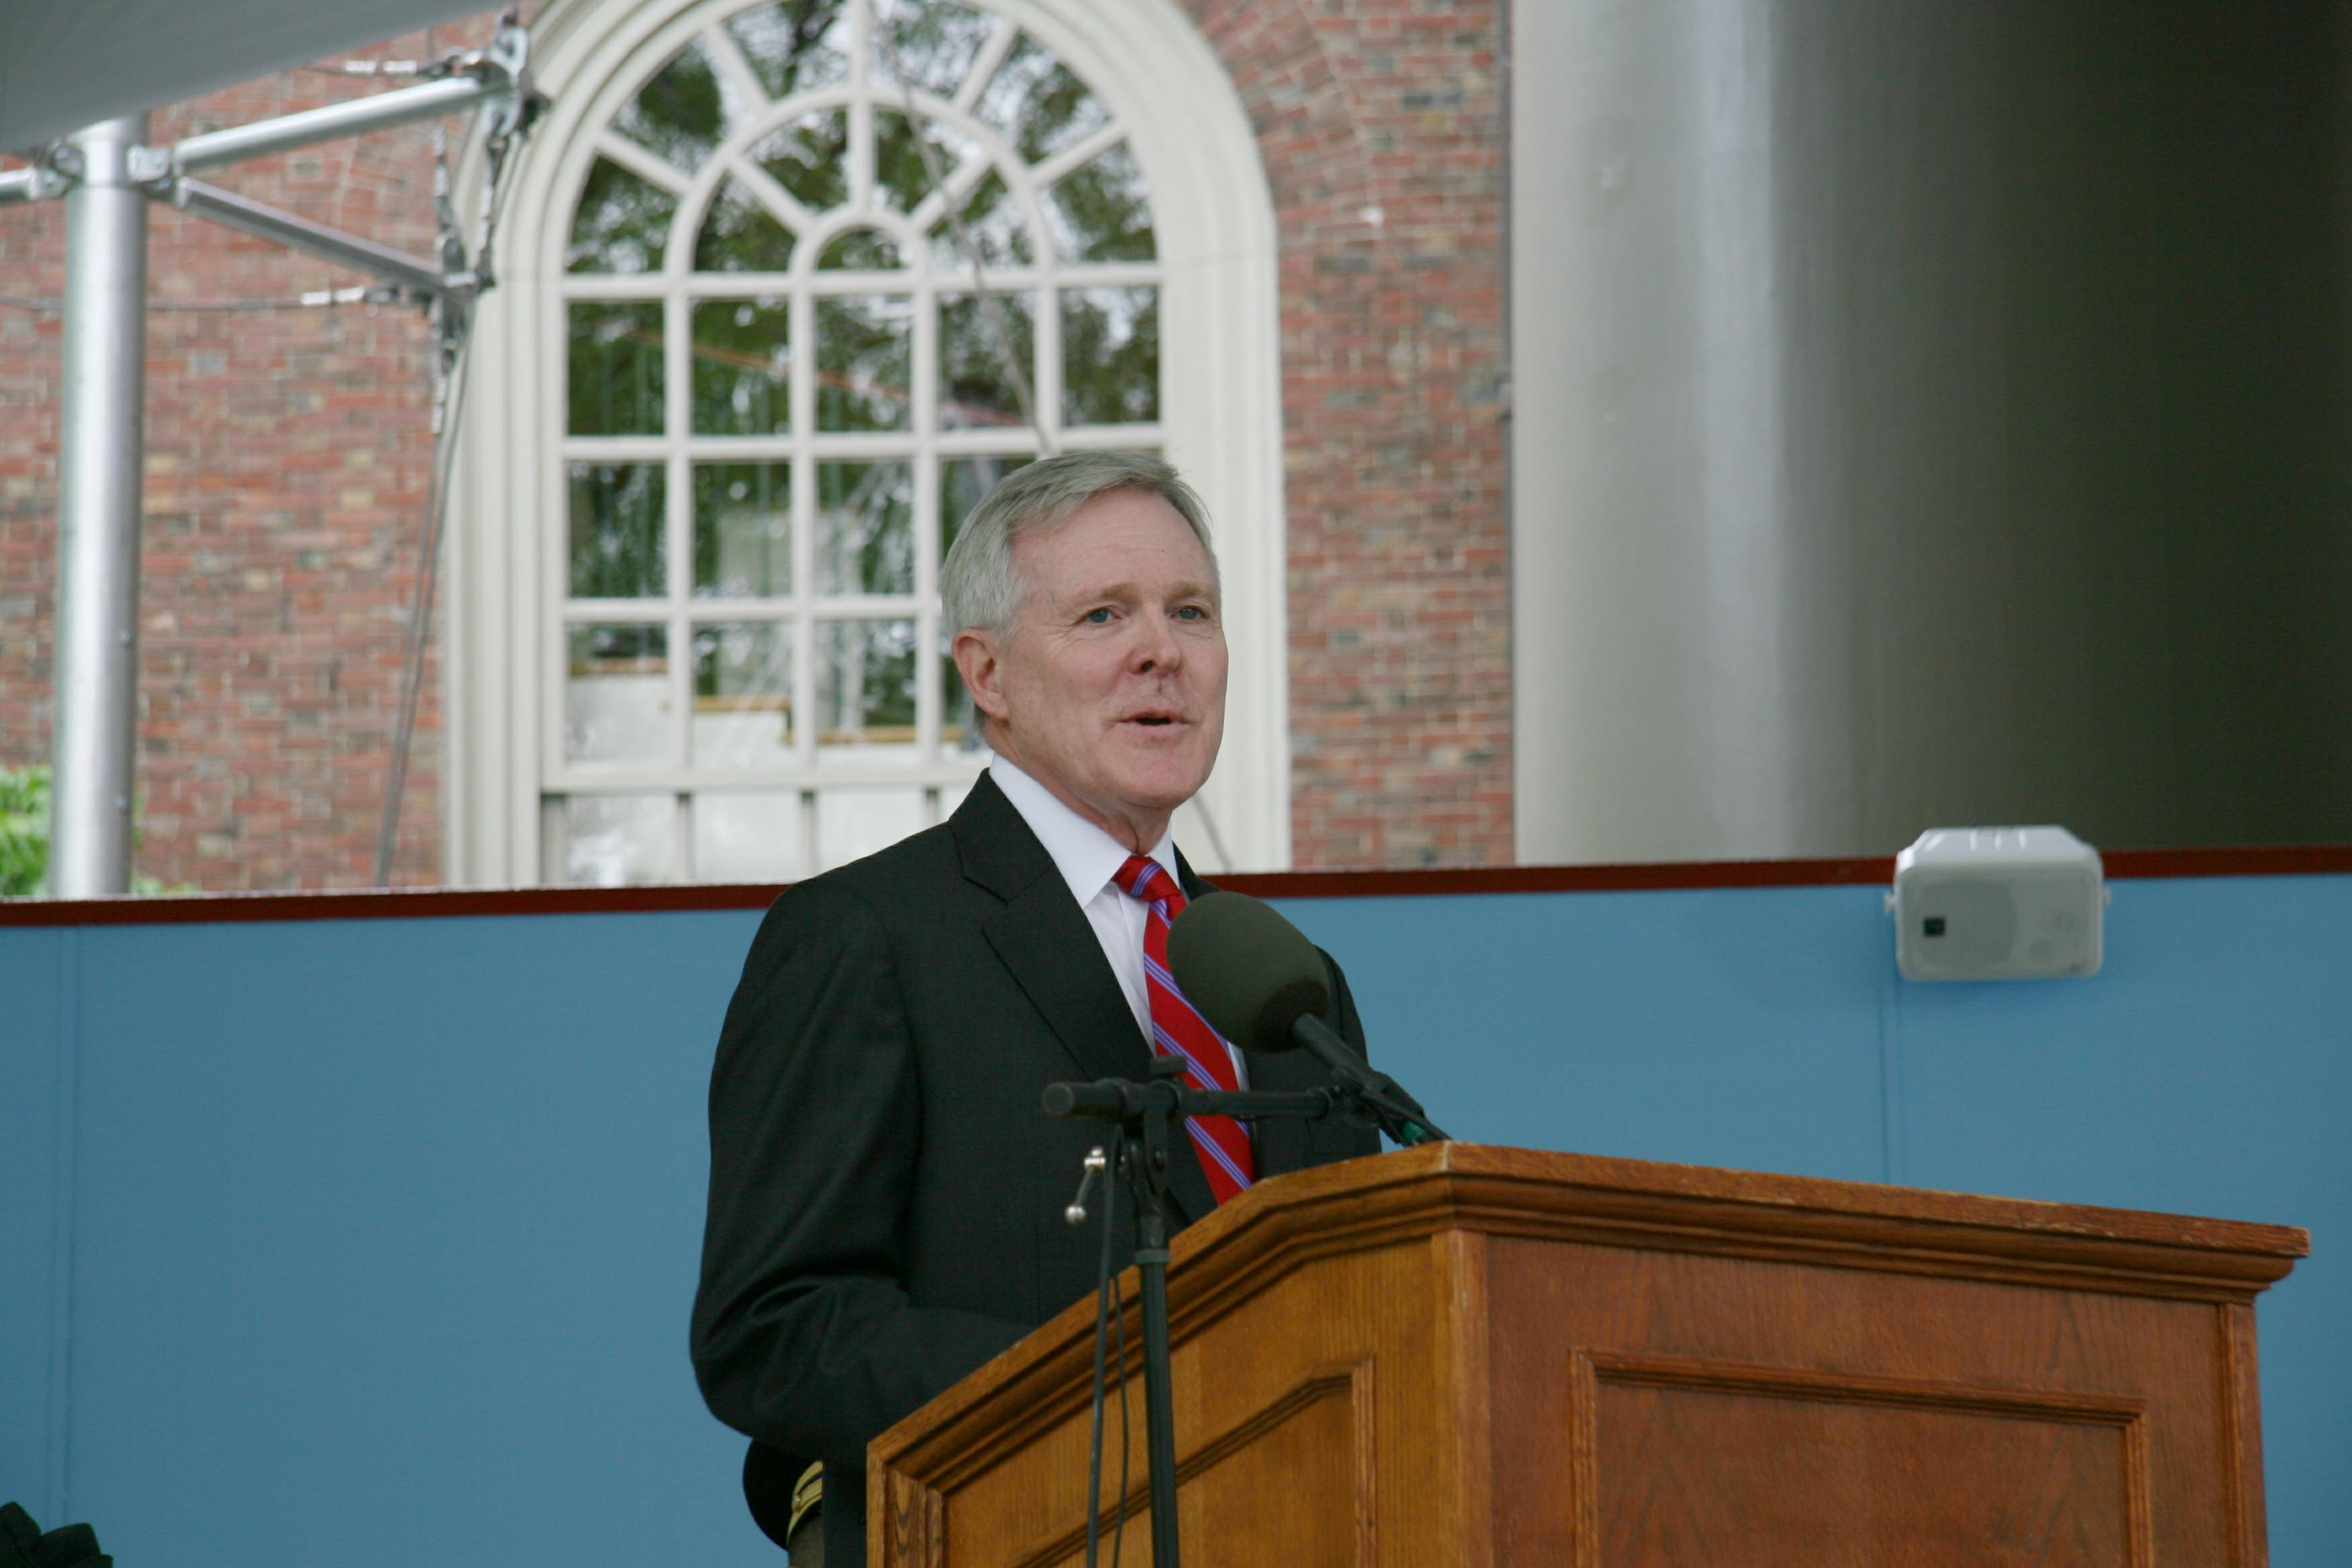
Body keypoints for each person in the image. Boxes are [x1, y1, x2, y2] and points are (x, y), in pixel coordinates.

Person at [690, 452, 1381, 1567]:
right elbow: (774, 1332)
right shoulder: (865, 937)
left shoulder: (1288, 985)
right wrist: (1108, 1395)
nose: (1162, 651)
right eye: (1105, 614)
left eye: (1190, 612)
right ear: (990, 673)